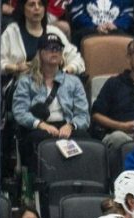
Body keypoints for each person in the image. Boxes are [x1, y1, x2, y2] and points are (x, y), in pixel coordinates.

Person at [11, 33, 89, 174]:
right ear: (40, 53)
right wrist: (41, 124)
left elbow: (83, 115)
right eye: (49, 48)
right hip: (38, 127)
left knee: (85, 138)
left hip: (66, 125)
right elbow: (19, 111)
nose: (54, 51)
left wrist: (71, 125)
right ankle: (41, 186)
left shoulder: (74, 81)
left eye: (58, 48)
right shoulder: (26, 81)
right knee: (36, 141)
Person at [1, 0, 84, 76]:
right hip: (21, 86)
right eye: (31, 5)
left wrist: (64, 72)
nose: (37, 8)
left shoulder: (54, 32)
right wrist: (16, 68)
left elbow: (77, 60)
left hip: (54, 87)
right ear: (23, 9)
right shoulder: (11, 32)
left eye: (40, 4)